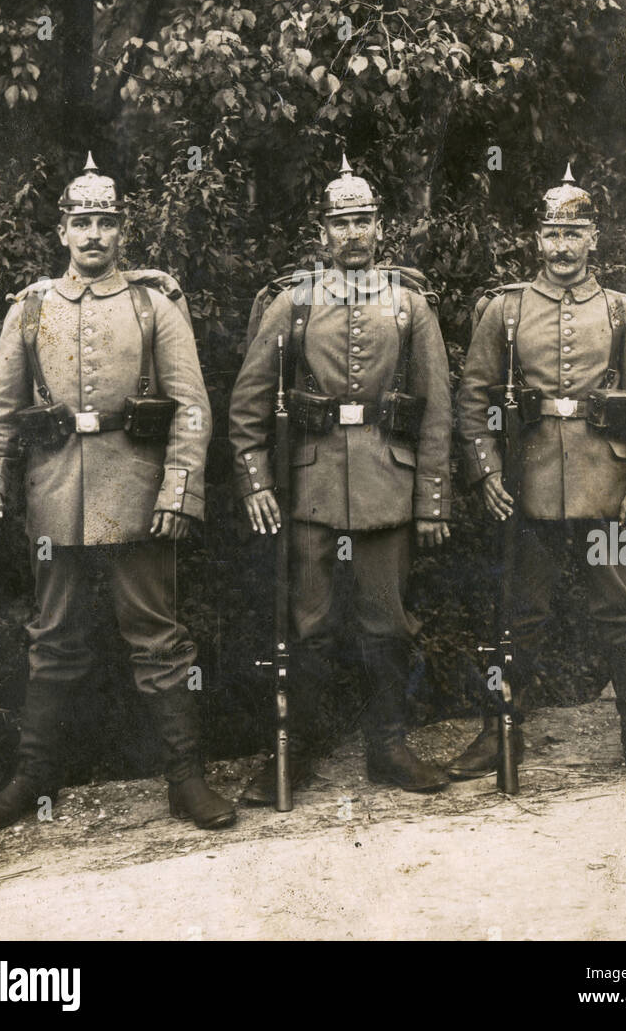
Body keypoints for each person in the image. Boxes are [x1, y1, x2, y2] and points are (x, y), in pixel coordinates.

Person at [0, 154, 236, 831]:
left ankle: (185, 778)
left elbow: (192, 405)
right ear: (62, 231)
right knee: (52, 639)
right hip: (54, 495)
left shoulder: (153, 305)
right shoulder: (29, 310)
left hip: (138, 494)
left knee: (158, 638)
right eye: (81, 222)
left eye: (105, 223)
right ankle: (32, 778)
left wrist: (179, 488)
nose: (93, 235)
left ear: (122, 232)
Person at [447, 167, 626, 780]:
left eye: (575, 233)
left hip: (607, 488)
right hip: (527, 488)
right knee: (517, 613)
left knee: (622, 607)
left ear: (594, 240)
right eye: (552, 233)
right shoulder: (504, 311)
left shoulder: (624, 313)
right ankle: (498, 730)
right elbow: (472, 399)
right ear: (537, 239)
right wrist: (484, 475)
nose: (562, 247)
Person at [229, 156, 452, 799]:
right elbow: (247, 407)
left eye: (364, 221)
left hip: (389, 484)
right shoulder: (292, 303)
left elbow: (436, 410)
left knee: (389, 624)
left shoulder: (410, 305)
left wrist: (432, 501)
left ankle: (388, 746)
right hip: (311, 489)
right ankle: (292, 754)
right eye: (341, 222)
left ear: (380, 228)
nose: (353, 233)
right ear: (322, 232)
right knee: (309, 626)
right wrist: (257, 484)